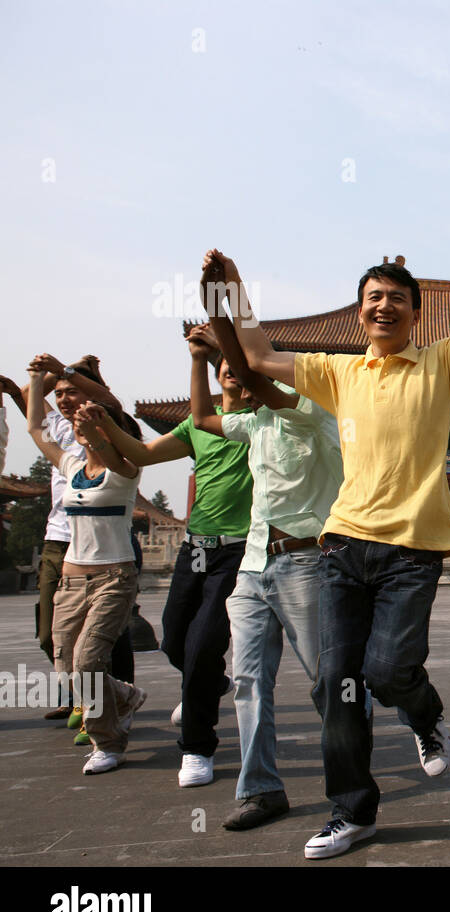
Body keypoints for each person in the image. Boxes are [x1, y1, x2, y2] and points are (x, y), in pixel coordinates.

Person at [224, 194, 450, 859]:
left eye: (396, 296)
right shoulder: (335, 373)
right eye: (372, 296)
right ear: (360, 309)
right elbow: (254, 354)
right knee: (338, 686)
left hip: (411, 553)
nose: (383, 304)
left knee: (389, 672)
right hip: (342, 549)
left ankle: (426, 715)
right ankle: (353, 812)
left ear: (416, 313)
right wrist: (234, 293)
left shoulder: (442, 364)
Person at [188, 250, 344, 830]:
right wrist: (202, 353)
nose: (241, 380)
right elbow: (204, 418)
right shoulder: (252, 422)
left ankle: (349, 778)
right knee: (249, 681)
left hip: (307, 565)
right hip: (253, 567)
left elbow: (253, 370)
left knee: (327, 680)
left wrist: (230, 291)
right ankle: (261, 789)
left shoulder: (312, 409)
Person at [92, 332, 253, 788]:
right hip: (196, 546)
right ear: (219, 377)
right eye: (226, 371)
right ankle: (212, 683)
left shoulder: (261, 424)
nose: (234, 378)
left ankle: (198, 748)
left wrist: (203, 357)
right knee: (174, 642)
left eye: (241, 374)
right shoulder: (196, 427)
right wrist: (105, 425)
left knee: (203, 646)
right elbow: (141, 453)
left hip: (237, 549)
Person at [24, 361, 146, 774]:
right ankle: (124, 695)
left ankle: (107, 742)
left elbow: (121, 433)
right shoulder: (71, 468)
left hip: (114, 576)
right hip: (72, 580)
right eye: (77, 423)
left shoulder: (124, 472)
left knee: (89, 660)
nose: (77, 425)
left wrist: (104, 421)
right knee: (65, 665)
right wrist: (35, 382)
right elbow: (37, 430)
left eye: (86, 421)